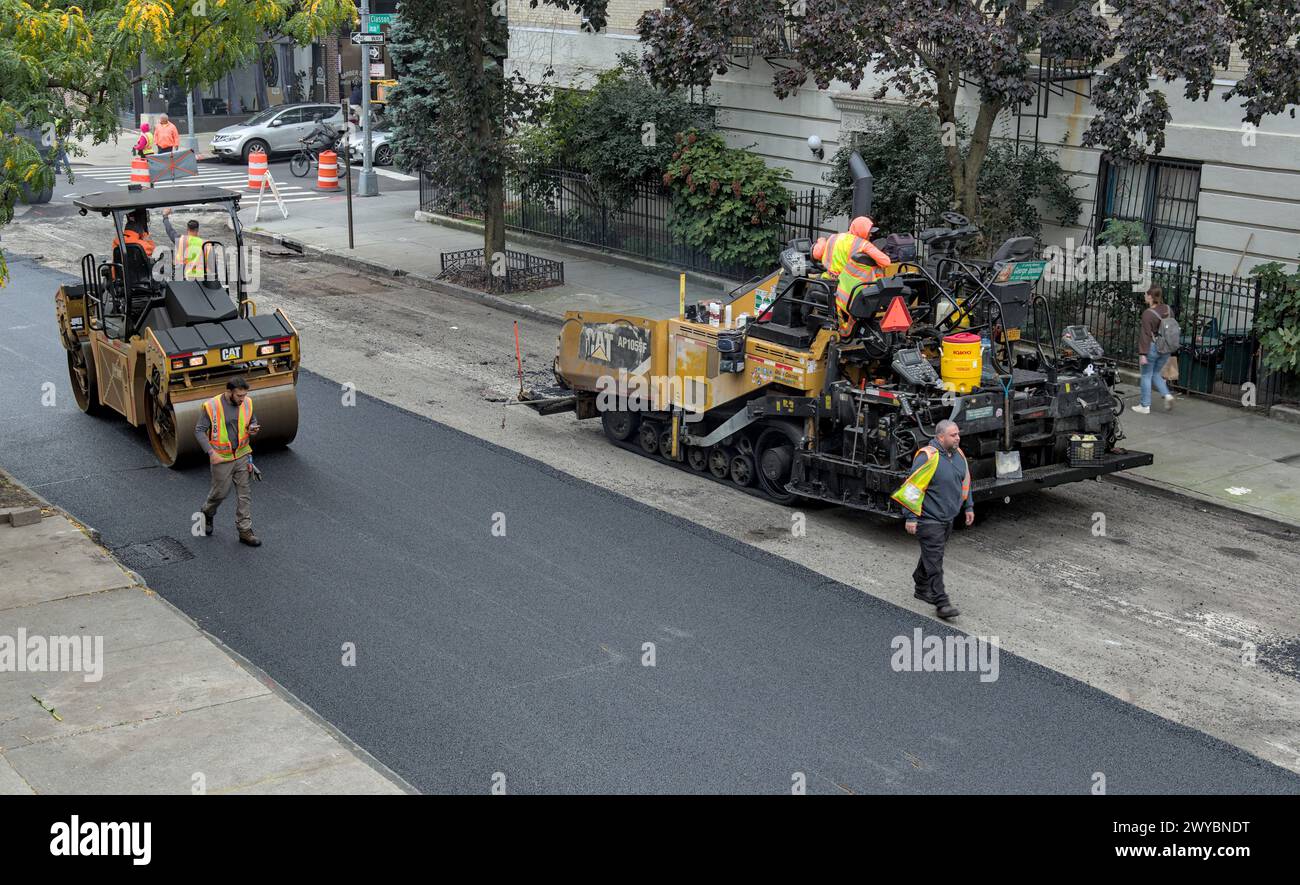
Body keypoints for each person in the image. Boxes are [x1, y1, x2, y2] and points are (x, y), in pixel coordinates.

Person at [891, 419, 973, 620]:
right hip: (929, 518)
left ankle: (920, 582)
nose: (957, 438)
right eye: (953, 435)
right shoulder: (928, 457)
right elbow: (912, 488)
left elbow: (965, 482)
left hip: (948, 518)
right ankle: (941, 603)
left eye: (958, 434)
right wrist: (910, 517)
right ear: (940, 437)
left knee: (932, 554)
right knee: (935, 560)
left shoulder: (958, 455)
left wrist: (968, 506)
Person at [195, 376, 262, 547]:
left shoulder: (247, 403)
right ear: (229, 392)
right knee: (220, 493)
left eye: (244, 395)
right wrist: (211, 453)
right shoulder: (211, 406)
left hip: (241, 455)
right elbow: (199, 431)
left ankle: (245, 531)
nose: (242, 398)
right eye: (239, 395)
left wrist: (253, 428)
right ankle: (207, 512)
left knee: (244, 494)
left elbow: (251, 421)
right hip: (221, 458)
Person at [1133, 284, 1174, 414]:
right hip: (1166, 347)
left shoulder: (1148, 314)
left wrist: (1142, 354)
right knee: (1156, 373)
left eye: (1145, 294)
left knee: (1146, 375)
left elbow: (1145, 335)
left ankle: (1145, 405)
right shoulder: (1168, 309)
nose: (1144, 296)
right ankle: (1167, 395)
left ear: (1150, 296)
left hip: (1152, 347)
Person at [162, 207, 211, 280]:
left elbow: (169, 230)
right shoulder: (207, 244)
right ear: (197, 230)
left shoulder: (181, 239)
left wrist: (165, 216)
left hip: (185, 276)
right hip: (202, 277)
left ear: (187, 229)